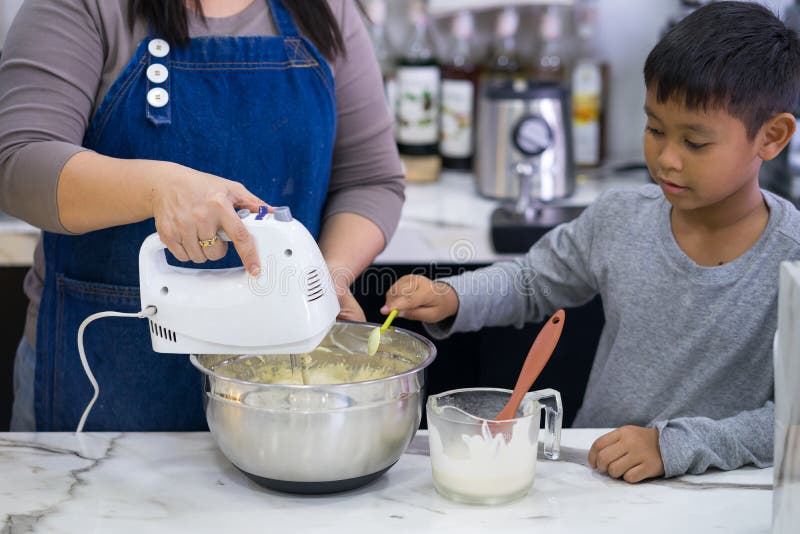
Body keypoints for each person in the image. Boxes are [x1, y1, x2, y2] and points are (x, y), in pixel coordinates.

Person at [381, 1, 800, 482]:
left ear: (772, 136)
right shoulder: (621, 217)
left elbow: (791, 419)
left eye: (695, 143)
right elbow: (533, 282)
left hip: (716, 492)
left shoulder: (791, 258)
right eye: (655, 129)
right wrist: (453, 295)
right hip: (594, 477)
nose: (666, 158)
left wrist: (675, 445)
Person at [0, 0, 404, 431]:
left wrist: (323, 278)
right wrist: (158, 190)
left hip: (280, 395)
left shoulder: (326, 9)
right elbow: (18, 163)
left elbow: (371, 181)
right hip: (102, 376)